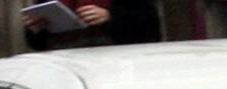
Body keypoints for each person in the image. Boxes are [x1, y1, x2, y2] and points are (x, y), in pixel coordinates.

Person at [24, 0, 161, 51]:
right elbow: (37, 44)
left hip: (112, 66)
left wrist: (110, 16)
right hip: (64, 68)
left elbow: (150, 28)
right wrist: (36, 28)